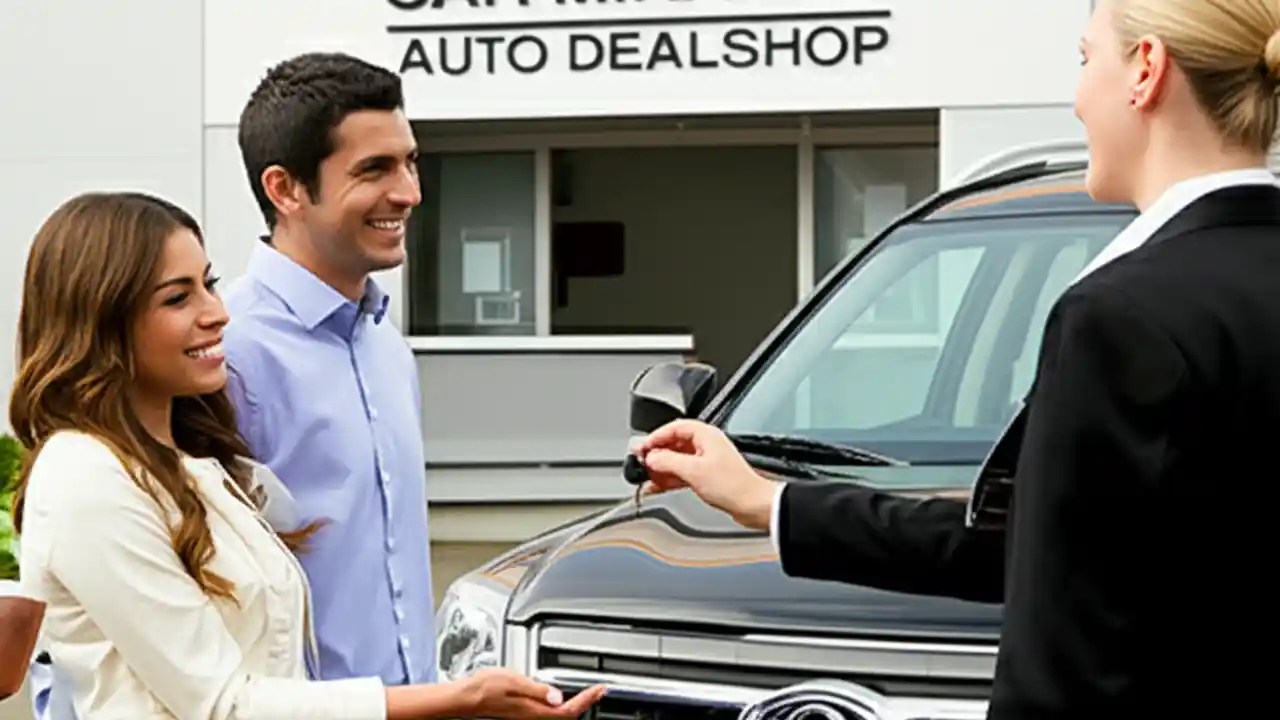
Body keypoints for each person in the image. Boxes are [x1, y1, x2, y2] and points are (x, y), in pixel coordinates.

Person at [634, 0, 1278, 717]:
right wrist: (768, 500)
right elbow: (1030, 546)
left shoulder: (1122, 315)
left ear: (1146, 70)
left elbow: (1062, 660)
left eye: (1085, 58)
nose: (1076, 98)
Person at [9, 191, 606, 718]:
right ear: (101, 323)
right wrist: (457, 698)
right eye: (177, 298)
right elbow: (223, 702)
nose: (216, 313)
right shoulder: (84, 476)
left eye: (209, 284)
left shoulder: (198, 465)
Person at [222, 51, 435, 686]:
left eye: (410, 162)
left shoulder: (388, 348)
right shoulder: (223, 354)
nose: (409, 192)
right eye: (375, 169)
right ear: (284, 189)